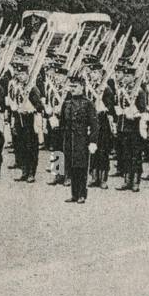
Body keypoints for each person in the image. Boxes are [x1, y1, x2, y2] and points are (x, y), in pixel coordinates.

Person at [60, 74, 99, 203]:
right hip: (69, 139)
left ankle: (82, 194)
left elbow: (94, 124)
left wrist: (93, 141)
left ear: (82, 87)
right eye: (71, 86)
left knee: (81, 167)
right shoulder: (66, 103)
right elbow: (62, 123)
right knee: (71, 166)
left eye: (75, 86)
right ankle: (74, 194)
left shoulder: (88, 104)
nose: (72, 88)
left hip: (82, 139)